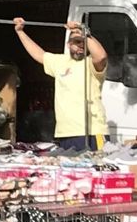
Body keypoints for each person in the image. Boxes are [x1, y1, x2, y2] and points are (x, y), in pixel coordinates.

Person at [12, 17, 106, 152]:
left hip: (91, 132)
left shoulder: (91, 63)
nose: (81, 45)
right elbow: (39, 55)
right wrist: (20, 32)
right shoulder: (60, 62)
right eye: (77, 42)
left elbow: (101, 56)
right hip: (64, 133)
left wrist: (82, 31)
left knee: (96, 165)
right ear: (68, 44)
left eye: (83, 42)